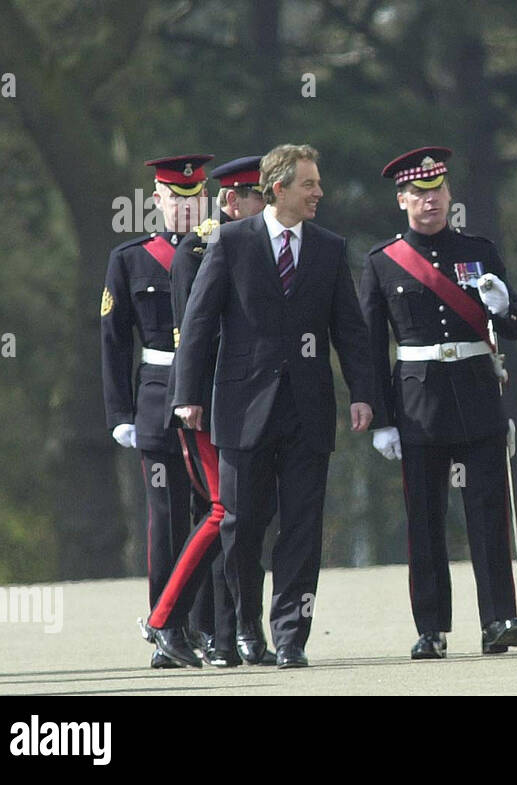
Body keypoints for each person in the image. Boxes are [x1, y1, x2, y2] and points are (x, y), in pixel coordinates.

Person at [172, 143, 378, 669]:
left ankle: (291, 637)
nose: (319, 194)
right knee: (241, 526)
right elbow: (198, 322)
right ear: (278, 188)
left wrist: (362, 393)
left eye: (319, 183)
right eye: (309, 184)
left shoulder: (330, 248)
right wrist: (188, 395)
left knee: (303, 528)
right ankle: (245, 627)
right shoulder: (231, 242)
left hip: (308, 409)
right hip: (243, 407)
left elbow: (350, 330)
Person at [359, 146, 517, 659]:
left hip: (477, 396)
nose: (429, 201)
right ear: (402, 200)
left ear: (449, 194)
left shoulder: (479, 249)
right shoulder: (382, 263)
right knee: (425, 520)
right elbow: (369, 348)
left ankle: (498, 618)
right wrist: (381, 420)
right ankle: (431, 628)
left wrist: (504, 307)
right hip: (418, 403)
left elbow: (516, 325)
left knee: (487, 513)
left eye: (436, 191)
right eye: (418, 193)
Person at [148, 156, 276, 668]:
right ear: (233, 201)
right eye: (257, 198)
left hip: (244, 400)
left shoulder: (256, 245)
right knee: (224, 510)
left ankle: (229, 637)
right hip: (206, 402)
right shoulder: (199, 250)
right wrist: (190, 401)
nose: (264, 207)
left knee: (242, 518)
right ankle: (165, 620)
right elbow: (192, 336)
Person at [101, 154, 212, 669]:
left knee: (213, 515)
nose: (187, 209)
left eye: (196, 199)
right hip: (156, 399)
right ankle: (168, 628)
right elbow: (113, 341)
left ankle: (210, 629)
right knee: (166, 520)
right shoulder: (131, 258)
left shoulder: (222, 250)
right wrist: (120, 411)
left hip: (210, 399)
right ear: (159, 200)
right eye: (176, 199)